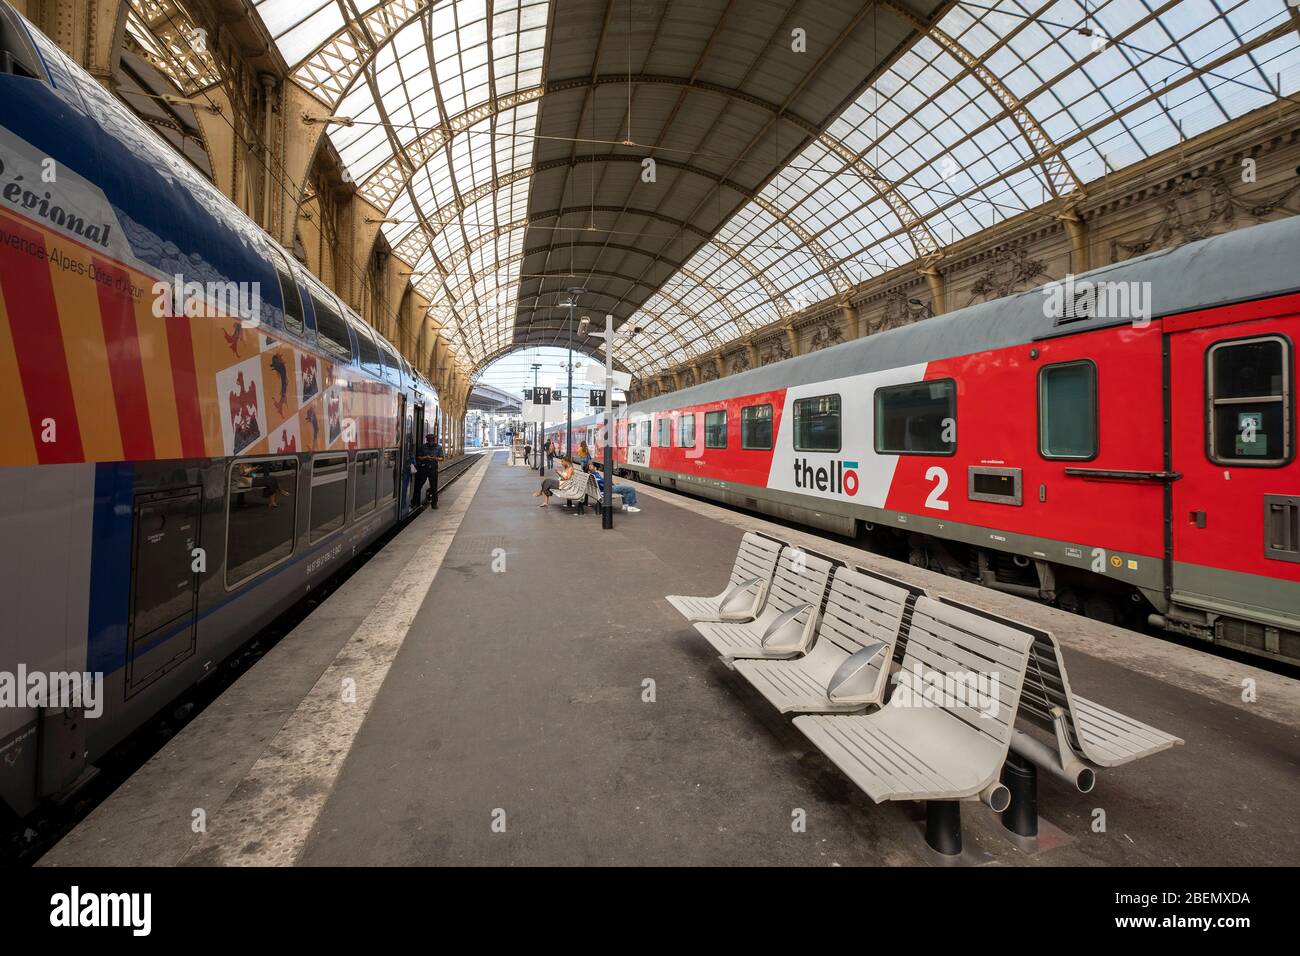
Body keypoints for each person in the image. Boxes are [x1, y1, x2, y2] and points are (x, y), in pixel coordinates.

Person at [411, 432, 444, 511]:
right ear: (427, 440)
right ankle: (414, 502)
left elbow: (442, 458)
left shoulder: (438, 447)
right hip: (423, 469)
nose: (431, 442)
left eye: (432, 440)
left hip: (433, 469)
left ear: (434, 440)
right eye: (429, 440)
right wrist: (426, 457)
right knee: (418, 486)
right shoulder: (423, 447)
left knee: (434, 487)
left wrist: (435, 458)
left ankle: (434, 504)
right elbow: (419, 457)